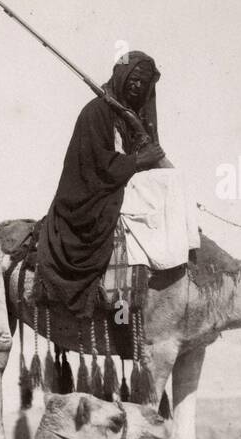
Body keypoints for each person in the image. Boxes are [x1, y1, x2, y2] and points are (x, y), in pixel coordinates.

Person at [31, 51, 167, 316]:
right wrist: (138, 161)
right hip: (89, 199)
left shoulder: (133, 119)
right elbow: (97, 166)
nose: (138, 86)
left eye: (144, 82)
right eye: (134, 79)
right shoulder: (96, 113)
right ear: (122, 76)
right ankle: (117, 312)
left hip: (120, 187)